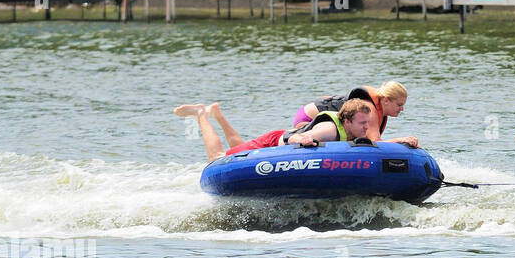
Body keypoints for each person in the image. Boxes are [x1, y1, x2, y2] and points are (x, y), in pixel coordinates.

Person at [176, 99, 417, 164]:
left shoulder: (357, 132)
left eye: (368, 123)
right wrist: (303, 138)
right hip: (274, 142)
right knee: (219, 158)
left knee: (238, 146)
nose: (367, 128)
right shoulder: (330, 129)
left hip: (276, 140)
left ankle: (218, 113)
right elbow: (304, 137)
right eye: (363, 124)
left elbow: (377, 143)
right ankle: (201, 114)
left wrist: (403, 141)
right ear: (347, 122)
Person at [292, 81, 407, 142]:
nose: (402, 109)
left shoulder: (377, 109)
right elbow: (376, 142)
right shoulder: (369, 109)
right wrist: (401, 140)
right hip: (307, 118)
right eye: (399, 105)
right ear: (386, 101)